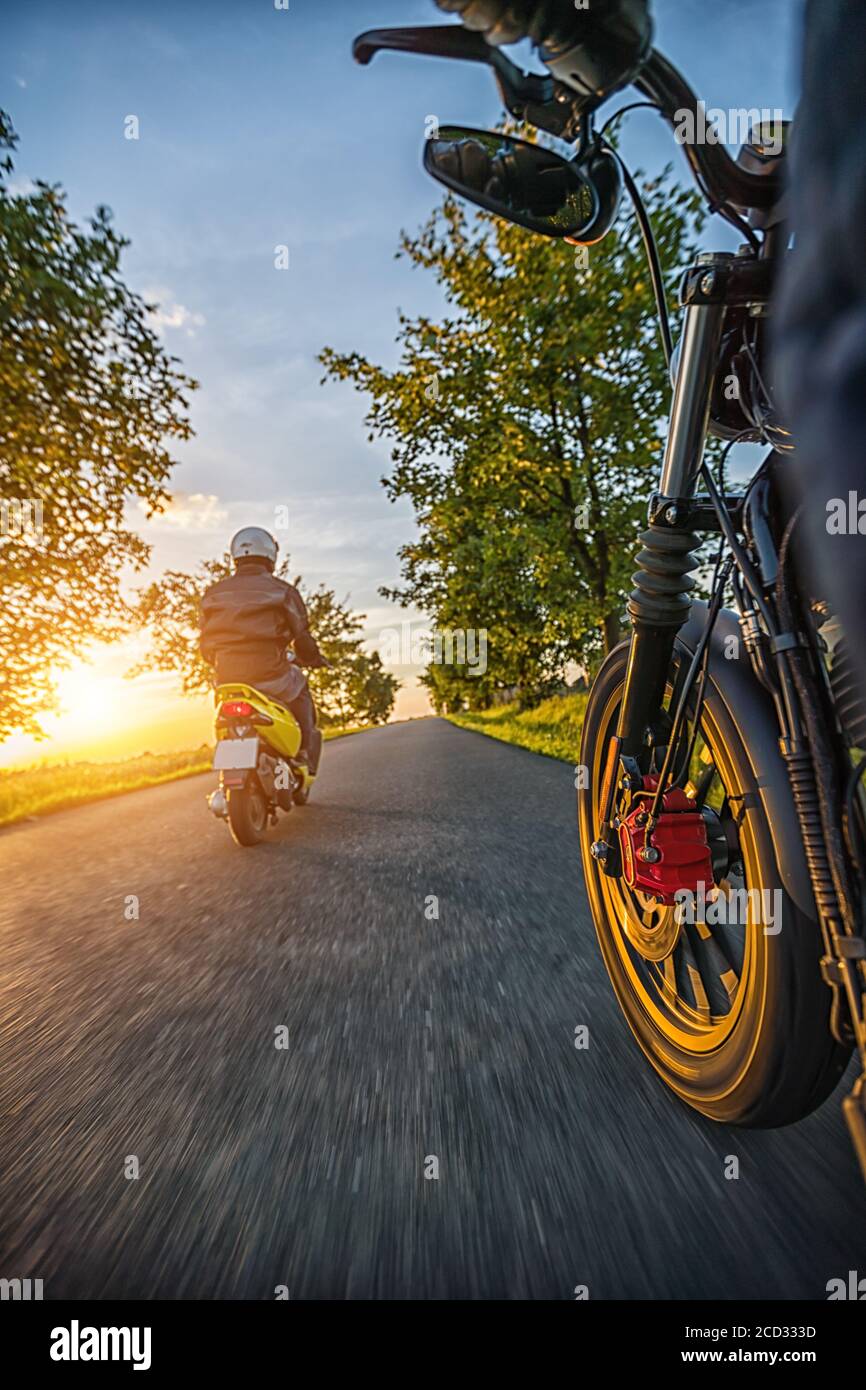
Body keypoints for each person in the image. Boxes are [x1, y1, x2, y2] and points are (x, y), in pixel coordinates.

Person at [199, 527, 327, 773]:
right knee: (300, 684)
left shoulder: (211, 595)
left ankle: (232, 746)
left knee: (223, 709)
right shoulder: (283, 591)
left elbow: (205, 645)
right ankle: (303, 752)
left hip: (227, 678)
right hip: (271, 675)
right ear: (270, 555)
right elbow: (302, 636)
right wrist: (312, 659)